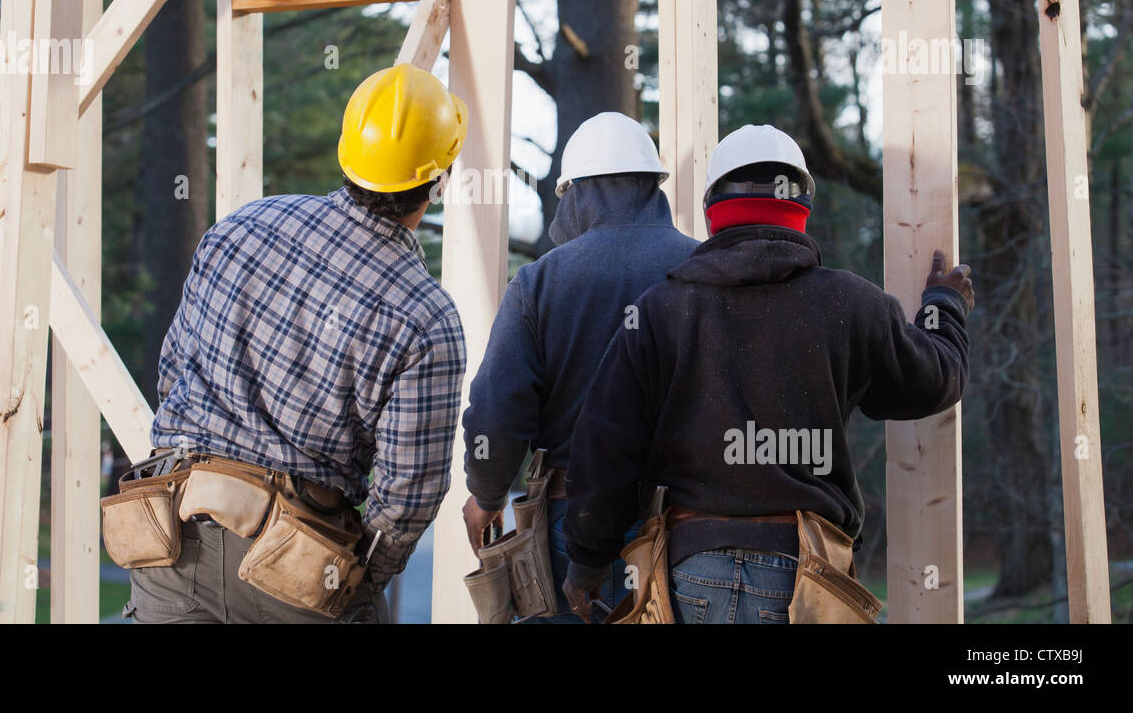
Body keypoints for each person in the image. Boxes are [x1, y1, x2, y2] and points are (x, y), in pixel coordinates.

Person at [561, 124, 974, 624]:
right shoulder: (850, 303)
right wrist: (943, 306)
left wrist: (586, 560)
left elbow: (605, 446)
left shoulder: (660, 309)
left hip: (693, 572)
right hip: (807, 576)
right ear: (800, 206)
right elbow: (933, 380)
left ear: (714, 211)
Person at [129, 62, 469, 624]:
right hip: (297, 569)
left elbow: (173, 376)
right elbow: (408, 496)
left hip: (175, 539)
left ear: (347, 153)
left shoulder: (239, 229)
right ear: (440, 180)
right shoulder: (425, 316)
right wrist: (354, 584)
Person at [460, 112, 699, 622]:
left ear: (577, 194)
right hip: (684, 522)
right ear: (652, 186)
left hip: (572, 516)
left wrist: (486, 493)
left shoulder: (541, 281)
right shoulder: (702, 271)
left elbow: (500, 408)